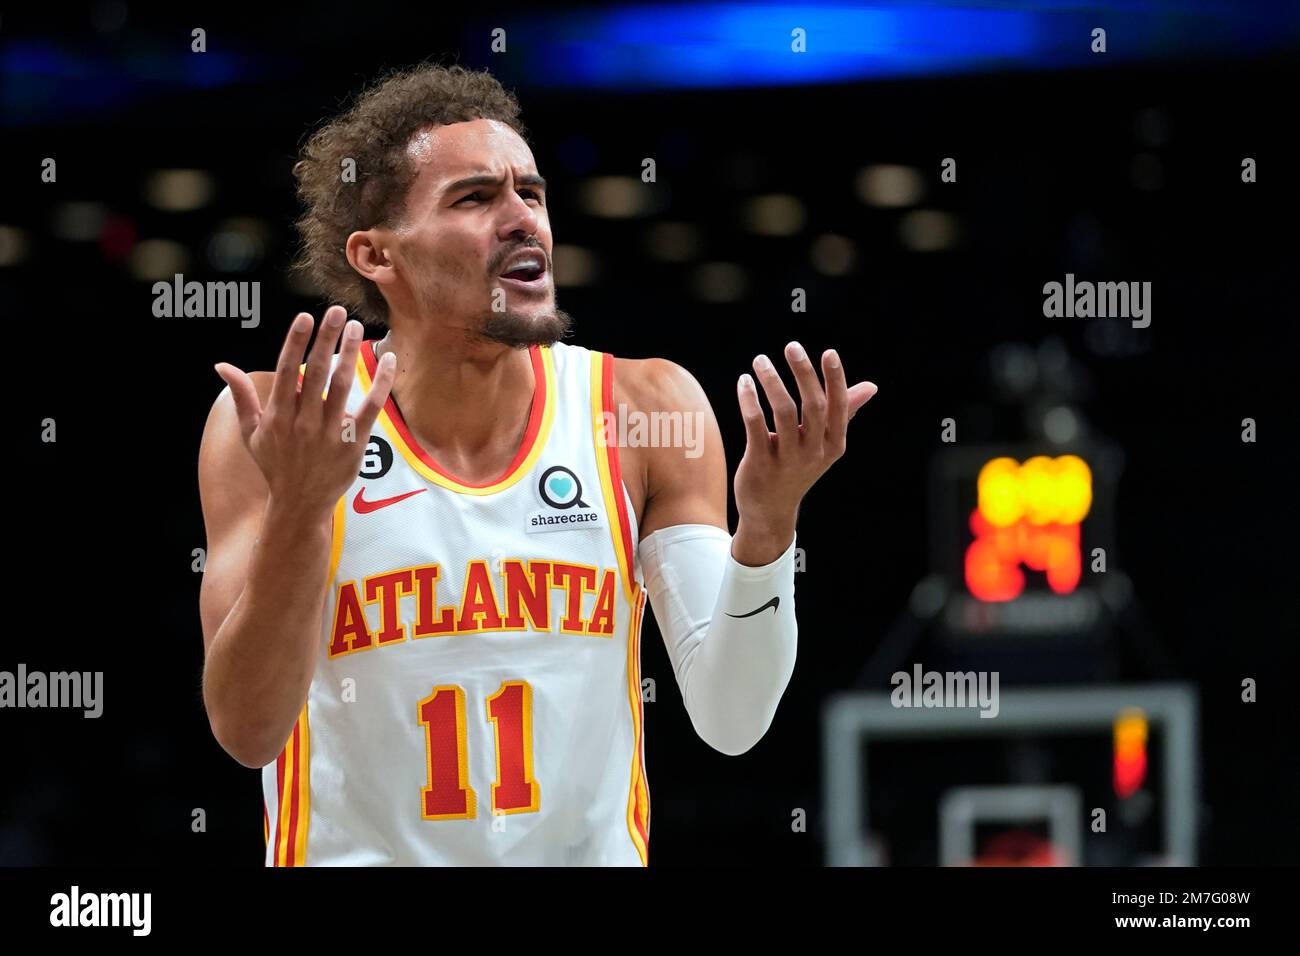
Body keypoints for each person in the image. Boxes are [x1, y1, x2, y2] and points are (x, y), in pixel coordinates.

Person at [197, 63, 877, 865]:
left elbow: (733, 720)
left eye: (533, 192)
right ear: (377, 255)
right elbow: (246, 731)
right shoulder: (280, 423)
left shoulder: (648, 407)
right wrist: (304, 509)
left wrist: (767, 529)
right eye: (476, 198)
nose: (524, 220)